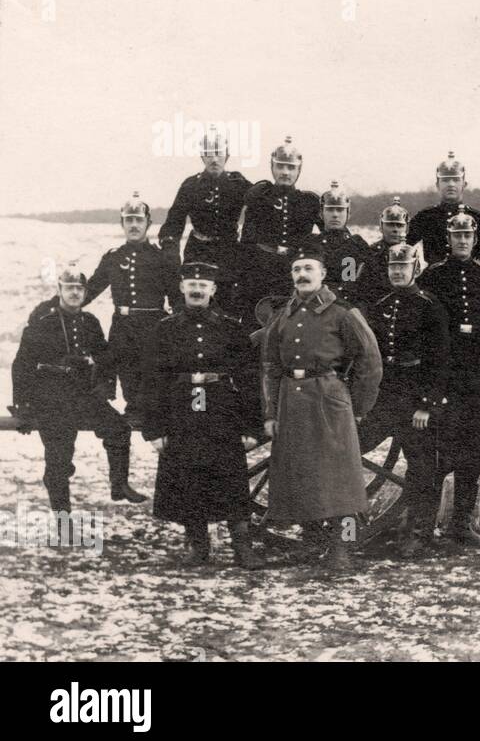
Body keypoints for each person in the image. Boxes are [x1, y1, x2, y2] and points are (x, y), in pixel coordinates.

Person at [260, 243, 382, 571]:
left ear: (324, 274)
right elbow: (271, 365)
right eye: (297, 270)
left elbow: (369, 361)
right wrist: (271, 411)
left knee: (337, 475)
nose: (302, 275)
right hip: (291, 399)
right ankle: (312, 541)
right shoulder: (283, 315)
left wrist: (356, 407)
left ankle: (340, 547)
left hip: (329, 397)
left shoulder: (343, 312)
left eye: (308, 269)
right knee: (299, 470)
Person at [140, 263, 263, 568]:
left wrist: (251, 426)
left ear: (213, 290)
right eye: (191, 283)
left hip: (222, 408)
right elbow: (152, 381)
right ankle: (198, 545)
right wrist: (153, 430)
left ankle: (242, 546)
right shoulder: (165, 329)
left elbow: (248, 379)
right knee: (186, 477)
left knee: (231, 476)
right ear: (181, 288)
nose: (197, 289)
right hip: (179, 409)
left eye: (203, 284)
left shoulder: (231, 328)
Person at [11, 263, 144, 511]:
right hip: (51, 399)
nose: (74, 293)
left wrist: (104, 383)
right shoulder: (43, 321)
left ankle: (119, 485)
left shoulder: (90, 322)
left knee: (119, 428)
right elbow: (22, 364)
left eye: (79, 289)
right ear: (59, 290)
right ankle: (62, 517)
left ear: (85, 293)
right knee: (59, 459)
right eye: (69, 288)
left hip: (83, 396)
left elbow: (106, 356)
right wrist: (23, 405)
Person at [421, 212, 480, 545]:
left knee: (471, 452)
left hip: (477, 375)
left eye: (467, 236)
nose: (462, 240)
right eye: (456, 235)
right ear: (448, 238)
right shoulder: (433, 277)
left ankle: (460, 524)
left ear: (475, 239)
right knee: (439, 451)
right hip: (445, 373)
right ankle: (427, 524)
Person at [358, 243, 450, 557]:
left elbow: (439, 359)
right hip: (387, 395)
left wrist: (426, 403)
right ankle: (362, 520)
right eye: (394, 268)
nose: (398, 272)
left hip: (415, 397)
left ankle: (419, 533)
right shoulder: (382, 303)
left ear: (415, 269)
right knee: (356, 446)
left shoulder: (429, 305)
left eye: (404, 267)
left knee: (422, 465)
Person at [85, 190, 178, 425]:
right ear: (122, 223)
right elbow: (91, 289)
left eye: (139, 220)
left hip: (152, 325)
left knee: (151, 372)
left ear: (148, 223)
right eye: (129, 220)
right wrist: (57, 305)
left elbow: (176, 296)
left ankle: (150, 413)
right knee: (126, 370)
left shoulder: (160, 258)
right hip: (123, 326)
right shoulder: (113, 258)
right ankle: (131, 409)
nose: (134, 225)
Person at [157, 126, 253, 313]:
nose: (214, 159)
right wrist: (170, 251)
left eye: (219, 154)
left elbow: (261, 204)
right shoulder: (191, 185)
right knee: (194, 305)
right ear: (202, 157)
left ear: (227, 156)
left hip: (229, 253)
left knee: (227, 308)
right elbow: (174, 222)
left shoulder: (238, 184)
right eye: (209, 154)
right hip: (197, 252)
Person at [237, 136, 320, 323]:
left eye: (291, 167)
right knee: (255, 324)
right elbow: (246, 241)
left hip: (295, 274)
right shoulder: (259, 196)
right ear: (272, 167)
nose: (285, 172)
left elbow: (329, 235)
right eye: (280, 166)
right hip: (260, 273)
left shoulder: (309, 202)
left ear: (299, 170)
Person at [408, 152, 480, 266]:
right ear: (437, 185)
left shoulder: (477, 218)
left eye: (456, 180)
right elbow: (402, 246)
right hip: (434, 281)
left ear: (464, 184)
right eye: (445, 180)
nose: (451, 184)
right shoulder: (425, 217)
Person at [310, 180, 371, 303]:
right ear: (321, 214)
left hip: (350, 307)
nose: (335, 215)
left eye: (340, 210)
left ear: (348, 214)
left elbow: (369, 285)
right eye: (330, 210)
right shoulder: (311, 244)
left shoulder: (358, 245)